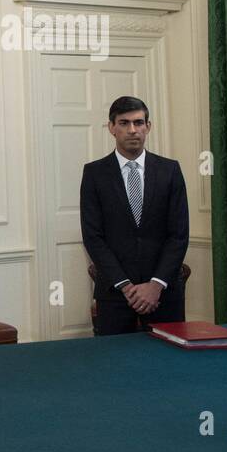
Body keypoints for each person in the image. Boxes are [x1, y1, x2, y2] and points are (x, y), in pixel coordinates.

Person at [80, 95, 189, 335]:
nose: (132, 130)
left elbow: (179, 235)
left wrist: (155, 285)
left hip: (164, 294)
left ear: (148, 127)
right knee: (115, 366)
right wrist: (127, 287)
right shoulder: (94, 173)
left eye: (139, 123)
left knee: (168, 366)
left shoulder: (170, 170)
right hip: (115, 294)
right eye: (124, 123)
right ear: (112, 127)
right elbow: (93, 236)